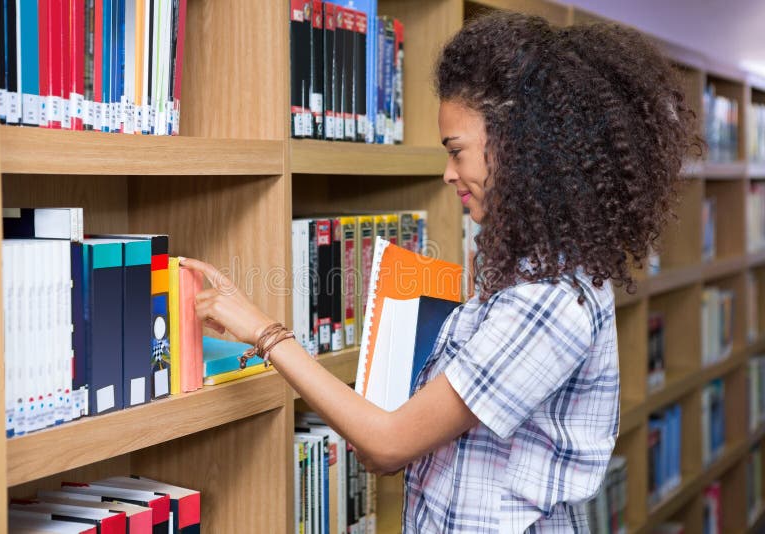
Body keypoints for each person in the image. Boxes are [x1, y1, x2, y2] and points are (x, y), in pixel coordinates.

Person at [181, 10, 697, 533]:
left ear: (519, 144)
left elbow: (387, 445)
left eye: (457, 151)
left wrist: (264, 332)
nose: (448, 173)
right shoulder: (529, 273)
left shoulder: (549, 300)